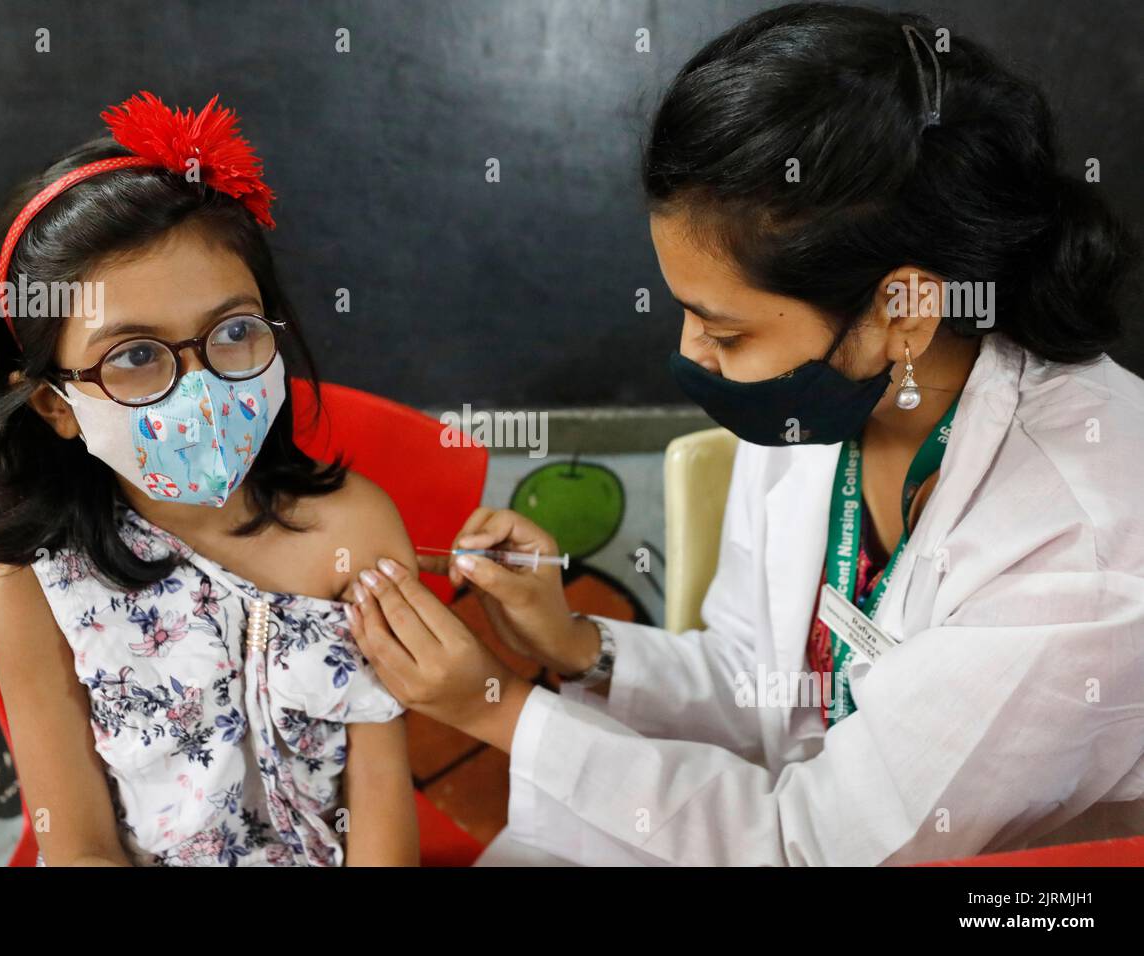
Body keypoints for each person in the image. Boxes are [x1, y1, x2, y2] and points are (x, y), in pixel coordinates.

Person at [343, 4, 1144, 865]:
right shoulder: (834, 405)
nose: (691, 355)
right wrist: (579, 642)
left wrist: (492, 708)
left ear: (900, 311)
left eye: (725, 333)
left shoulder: (1081, 540)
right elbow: (760, 682)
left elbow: (814, 846)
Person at [0, 91, 419, 866]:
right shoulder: (35, 590)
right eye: (136, 356)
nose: (201, 386)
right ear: (55, 403)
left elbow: (383, 818)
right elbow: (76, 843)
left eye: (234, 332)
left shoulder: (355, 531)